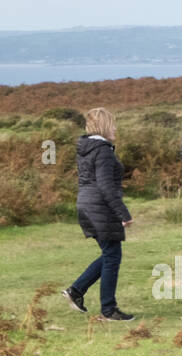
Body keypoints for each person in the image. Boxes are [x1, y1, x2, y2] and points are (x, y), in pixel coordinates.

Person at [63, 107, 135, 322]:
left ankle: (76, 291)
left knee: (109, 253)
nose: (115, 128)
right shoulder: (102, 150)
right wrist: (123, 213)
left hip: (87, 205)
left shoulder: (88, 147)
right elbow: (105, 186)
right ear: (103, 126)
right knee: (112, 255)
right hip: (99, 207)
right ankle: (109, 310)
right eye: (112, 124)